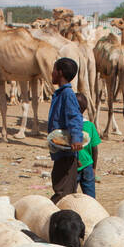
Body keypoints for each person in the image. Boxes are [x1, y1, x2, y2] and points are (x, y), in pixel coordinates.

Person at [47, 58, 84, 200]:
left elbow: (74, 117)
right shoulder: (60, 94)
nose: (52, 73)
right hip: (61, 151)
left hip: (67, 152)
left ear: (60, 72)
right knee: (59, 183)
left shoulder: (67, 94)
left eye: (54, 70)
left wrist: (76, 138)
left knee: (63, 192)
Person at [75, 93, 100, 197]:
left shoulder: (70, 126)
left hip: (74, 166)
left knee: (71, 196)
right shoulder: (90, 126)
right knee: (90, 197)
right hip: (88, 164)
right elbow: (95, 148)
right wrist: (94, 167)